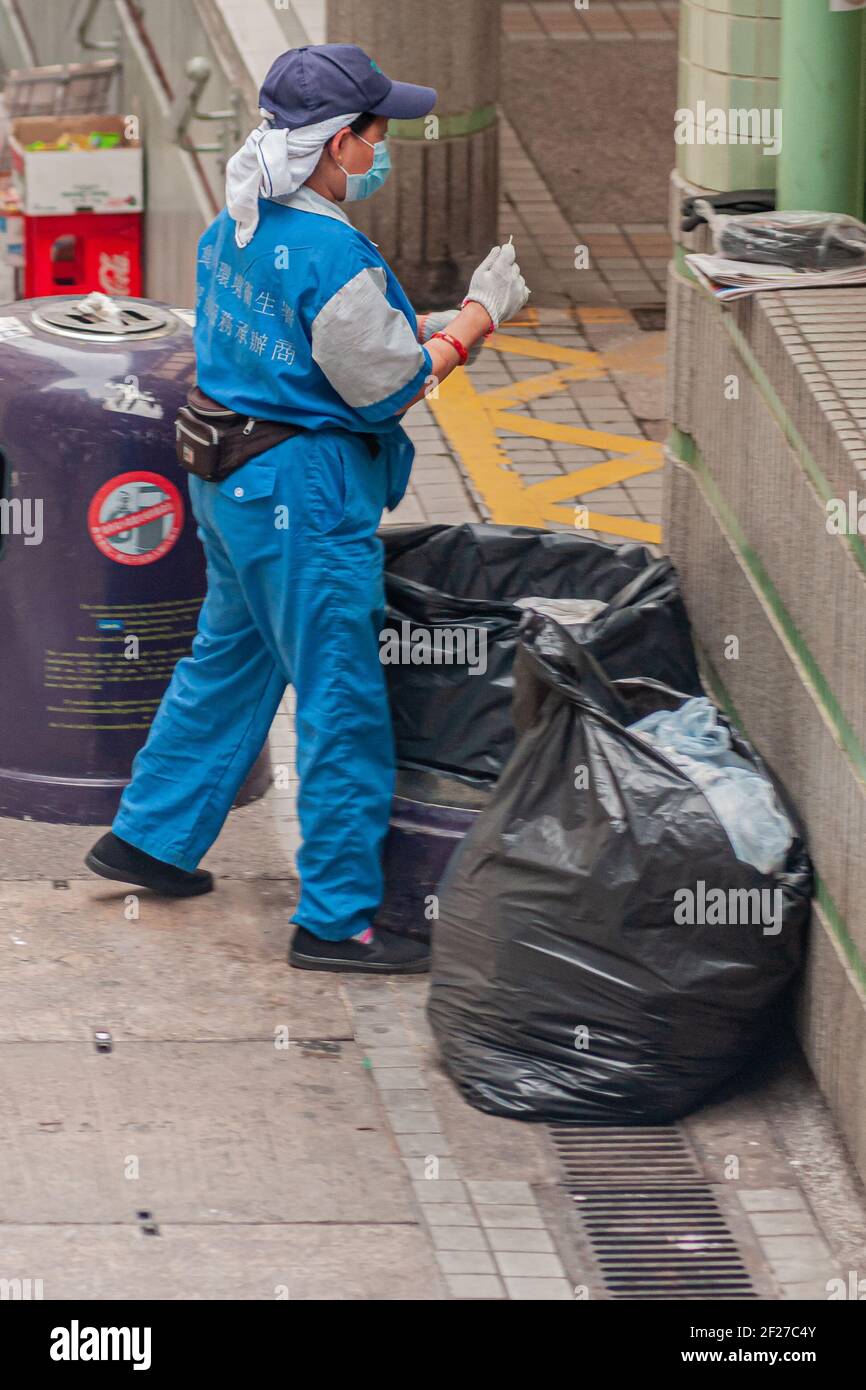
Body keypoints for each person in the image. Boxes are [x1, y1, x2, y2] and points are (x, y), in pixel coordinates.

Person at [86, 43, 529, 975]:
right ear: (337, 145)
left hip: (227, 482)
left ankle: (149, 838)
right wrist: (476, 321)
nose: (384, 147)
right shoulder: (332, 250)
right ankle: (336, 922)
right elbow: (389, 388)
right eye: (376, 132)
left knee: (231, 662)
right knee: (342, 702)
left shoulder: (238, 221)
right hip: (301, 497)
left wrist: (421, 319)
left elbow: (307, 341)